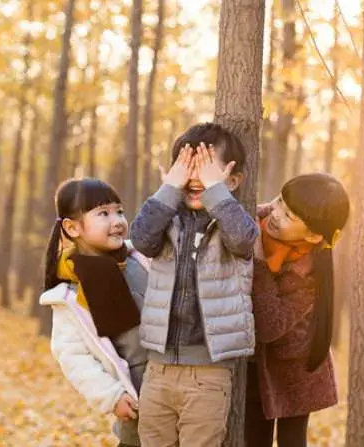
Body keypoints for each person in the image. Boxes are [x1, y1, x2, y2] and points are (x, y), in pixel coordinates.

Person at [130, 122, 259, 446]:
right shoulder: (166, 220)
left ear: (233, 179)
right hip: (158, 369)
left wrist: (216, 190)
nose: (196, 177)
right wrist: (169, 189)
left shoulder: (234, 222)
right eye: (188, 166)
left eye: (207, 167)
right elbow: (142, 239)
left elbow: (244, 240)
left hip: (208, 373)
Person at [40, 178, 149, 447]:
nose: (117, 221)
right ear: (72, 227)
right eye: (103, 214)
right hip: (135, 394)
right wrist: (111, 396)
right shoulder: (71, 293)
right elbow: (73, 355)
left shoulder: (140, 258)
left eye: (119, 211)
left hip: (172, 381)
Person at [245, 172, 350, 447]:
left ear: (315, 235)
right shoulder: (259, 219)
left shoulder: (311, 275)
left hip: (297, 369)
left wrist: (259, 262)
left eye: (290, 215)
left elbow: (269, 326)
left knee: (292, 441)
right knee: (254, 438)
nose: (277, 213)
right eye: (280, 201)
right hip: (257, 366)